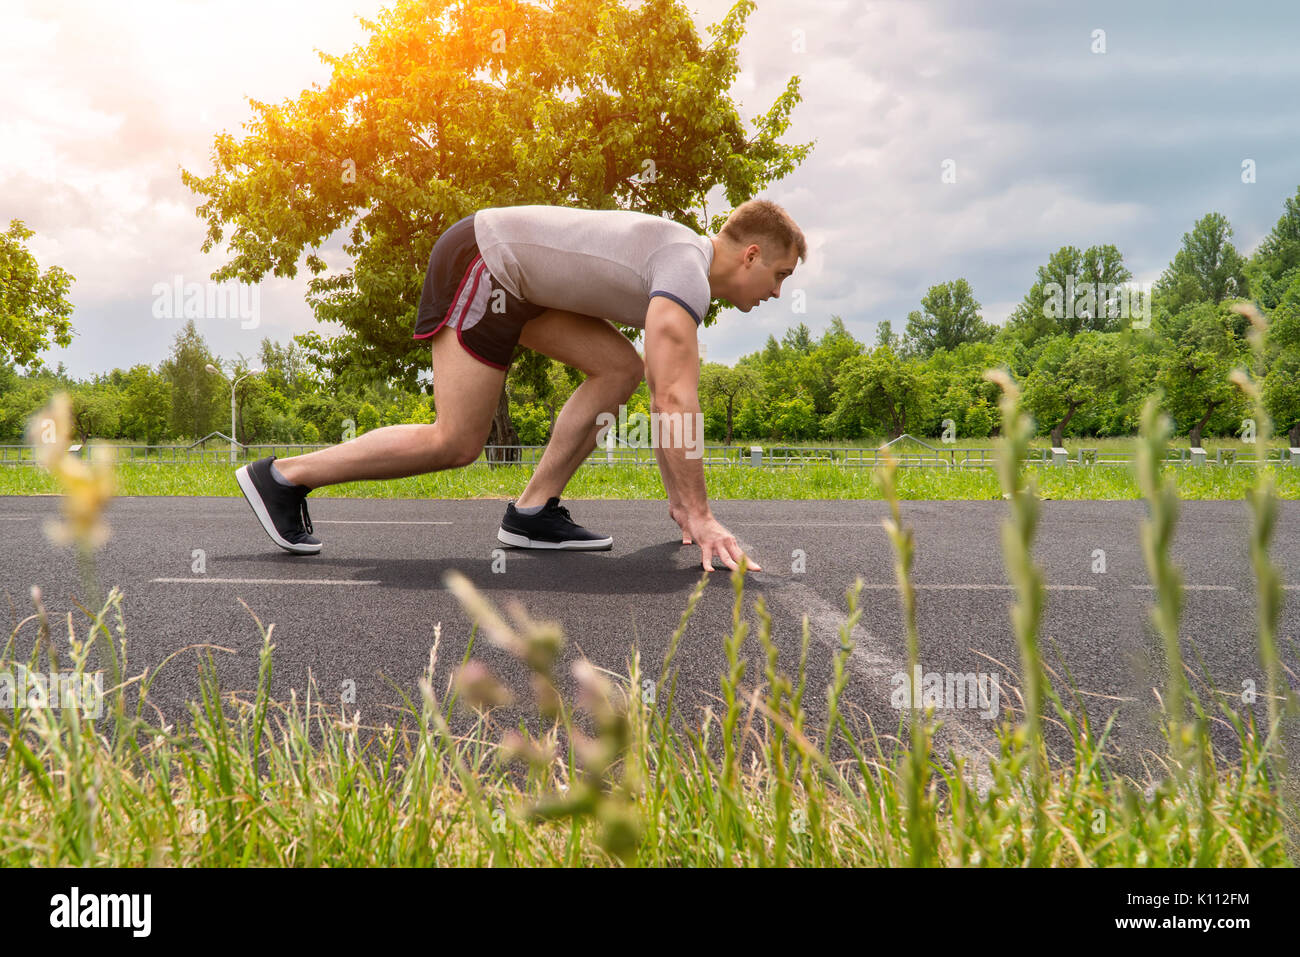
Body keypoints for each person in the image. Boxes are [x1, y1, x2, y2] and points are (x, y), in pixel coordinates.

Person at [235, 199, 805, 572]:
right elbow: (675, 398)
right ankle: (283, 477)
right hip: (482, 260)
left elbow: (660, 385)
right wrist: (700, 514)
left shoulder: (683, 262)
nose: (777, 293)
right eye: (779, 276)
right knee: (457, 442)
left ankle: (531, 513)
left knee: (619, 368)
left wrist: (684, 503)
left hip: (522, 283)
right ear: (751, 254)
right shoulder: (686, 269)